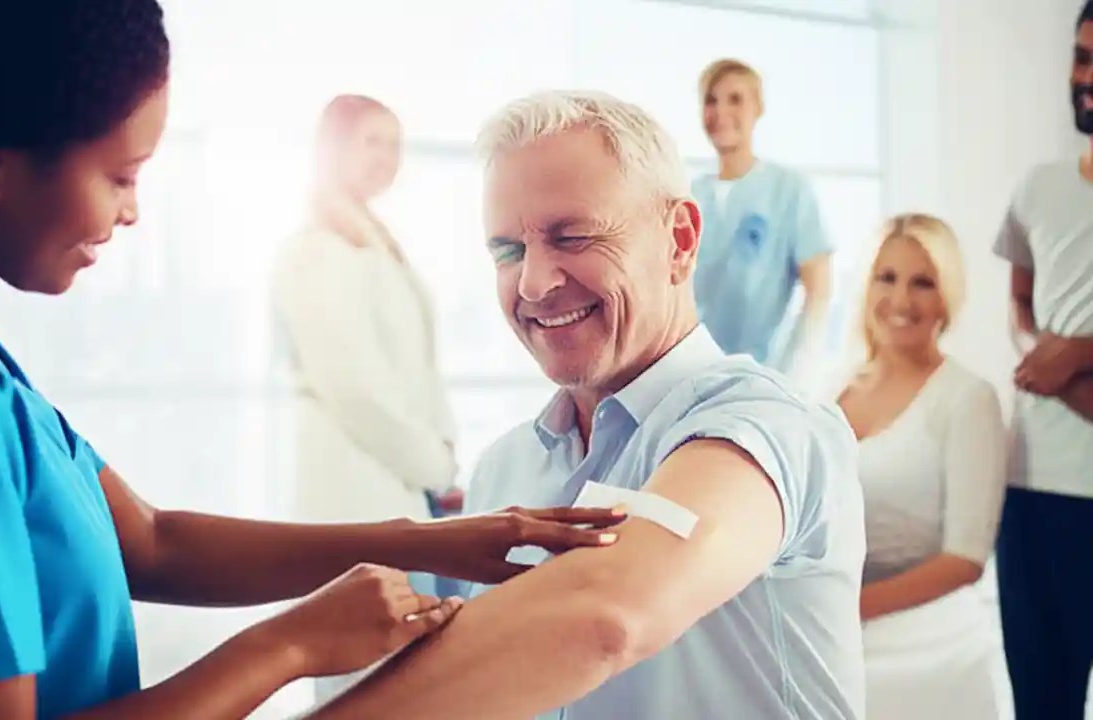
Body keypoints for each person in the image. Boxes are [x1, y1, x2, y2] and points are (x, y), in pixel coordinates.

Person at [0, 4, 626, 719]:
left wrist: (435, 541)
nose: (132, 212)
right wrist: (289, 646)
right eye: (120, 176)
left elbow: (155, 543)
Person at [310, 90, 865, 720]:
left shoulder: (770, 428)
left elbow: (607, 617)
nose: (533, 284)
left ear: (680, 240)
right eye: (508, 252)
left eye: (571, 236)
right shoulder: (506, 468)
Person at [272, 94, 465, 585]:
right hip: (358, 487)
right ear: (332, 148)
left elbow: (412, 372)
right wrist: (433, 465)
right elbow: (355, 388)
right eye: (371, 141)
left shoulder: (373, 243)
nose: (386, 157)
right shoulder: (317, 252)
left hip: (402, 482)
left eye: (395, 144)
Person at [831, 215, 1009, 719]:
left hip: (920, 643)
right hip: (822, 619)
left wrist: (848, 608)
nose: (902, 300)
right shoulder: (829, 386)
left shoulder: (968, 399)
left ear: (948, 296)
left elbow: (965, 559)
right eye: (886, 277)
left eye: (923, 283)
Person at [993, 3, 1093, 717]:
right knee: (1042, 702)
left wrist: (1079, 355)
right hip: (1034, 488)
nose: (1087, 78)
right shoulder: (1039, 186)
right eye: (1084, 57)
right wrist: (1040, 363)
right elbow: (1019, 307)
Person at [691, 58, 833, 387]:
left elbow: (819, 293)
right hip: (692, 379)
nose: (721, 111)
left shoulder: (788, 190)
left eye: (736, 99)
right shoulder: (688, 196)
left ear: (759, 108)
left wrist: (793, 377)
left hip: (766, 378)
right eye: (711, 100)